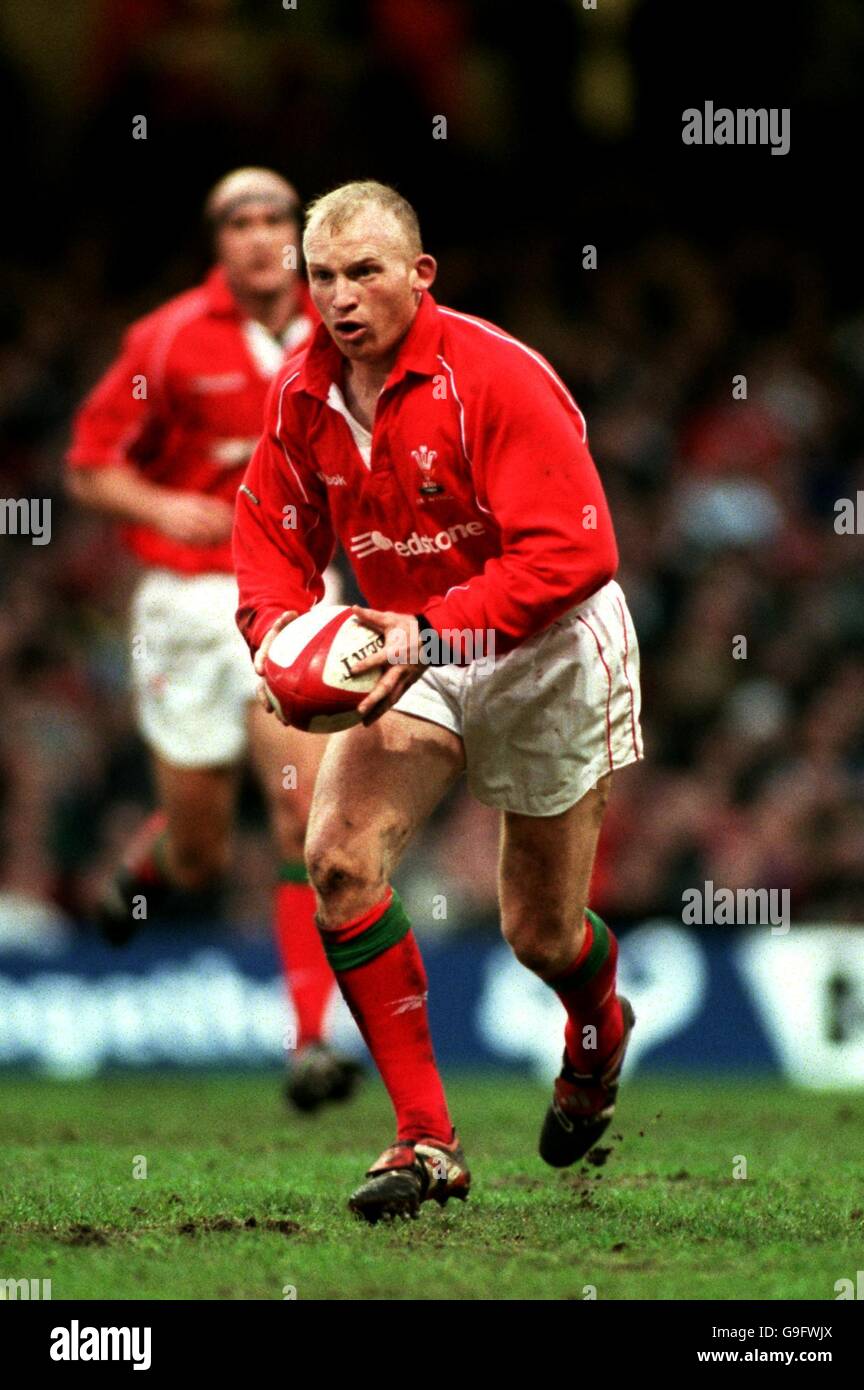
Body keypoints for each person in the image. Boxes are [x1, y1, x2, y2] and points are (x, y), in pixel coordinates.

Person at [233, 180, 644, 1222]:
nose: (339, 296)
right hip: (414, 648)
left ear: (420, 275)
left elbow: (578, 550)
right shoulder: (299, 399)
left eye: (364, 271)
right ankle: (427, 1141)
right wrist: (282, 641)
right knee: (336, 857)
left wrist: (436, 627)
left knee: (541, 936)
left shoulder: (496, 376)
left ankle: (596, 1033)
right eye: (320, 276)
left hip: (546, 646)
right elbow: (272, 551)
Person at [66, 167, 360, 1112]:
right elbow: (89, 466)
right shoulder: (165, 339)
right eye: (241, 218)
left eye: (277, 215)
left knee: (302, 816)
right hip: (186, 607)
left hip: (296, 593)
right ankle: (145, 866)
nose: (261, 232)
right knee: (199, 854)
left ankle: (310, 1042)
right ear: (216, 238)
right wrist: (164, 505)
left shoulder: (341, 323)